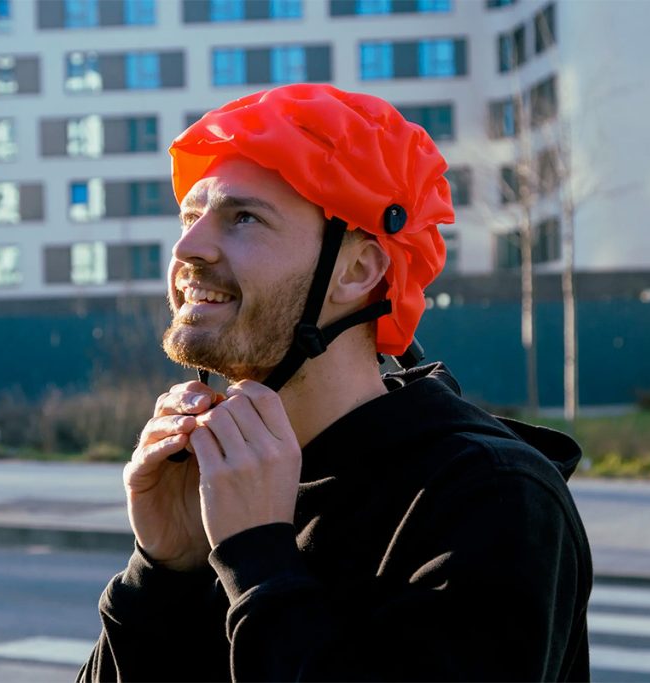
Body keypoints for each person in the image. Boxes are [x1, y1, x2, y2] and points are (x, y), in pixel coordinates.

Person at [77, 83, 592, 682]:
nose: (186, 247)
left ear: (358, 270)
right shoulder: (227, 476)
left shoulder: (489, 499)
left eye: (243, 218)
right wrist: (162, 573)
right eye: (191, 218)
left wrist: (259, 562)